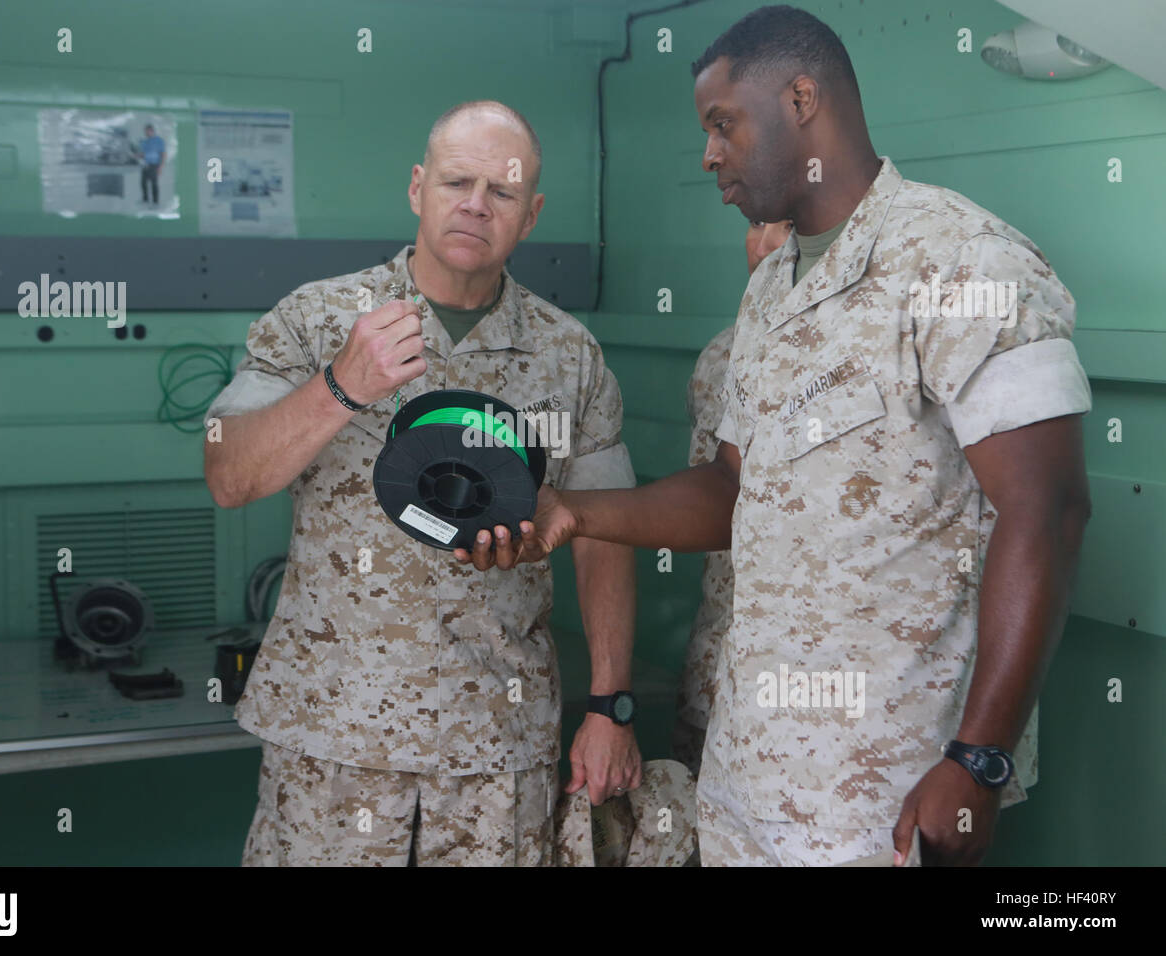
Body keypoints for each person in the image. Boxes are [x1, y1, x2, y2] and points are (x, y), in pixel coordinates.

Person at [455, 6, 1093, 867]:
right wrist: (572, 510)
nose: (709, 155)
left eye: (723, 125)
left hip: (885, 789)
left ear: (802, 98)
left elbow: (1048, 510)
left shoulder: (961, 262)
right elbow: (730, 490)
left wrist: (978, 759)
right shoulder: (775, 288)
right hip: (750, 779)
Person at [203, 100, 641, 866]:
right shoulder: (318, 319)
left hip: (493, 749)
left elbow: (607, 533)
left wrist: (611, 703)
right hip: (333, 741)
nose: (476, 203)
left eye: (501, 191)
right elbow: (228, 474)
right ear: (417, 189)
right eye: (455, 181)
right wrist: (340, 385)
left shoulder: (569, 358)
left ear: (530, 215)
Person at [673, 219, 791, 776]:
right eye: (754, 224)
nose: (765, 244)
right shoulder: (722, 358)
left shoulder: (887, 348)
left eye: (789, 226)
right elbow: (714, 504)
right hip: (723, 662)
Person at [137, 123, 164, 204]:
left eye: (147, 131)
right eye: (145, 132)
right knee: (143, 183)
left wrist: (160, 167)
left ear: (152, 131)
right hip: (145, 165)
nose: (146, 133)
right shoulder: (145, 142)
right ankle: (145, 199)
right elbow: (142, 154)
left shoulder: (159, 141)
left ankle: (155, 201)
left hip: (154, 165)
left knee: (154, 183)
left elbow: (163, 154)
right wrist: (137, 155)